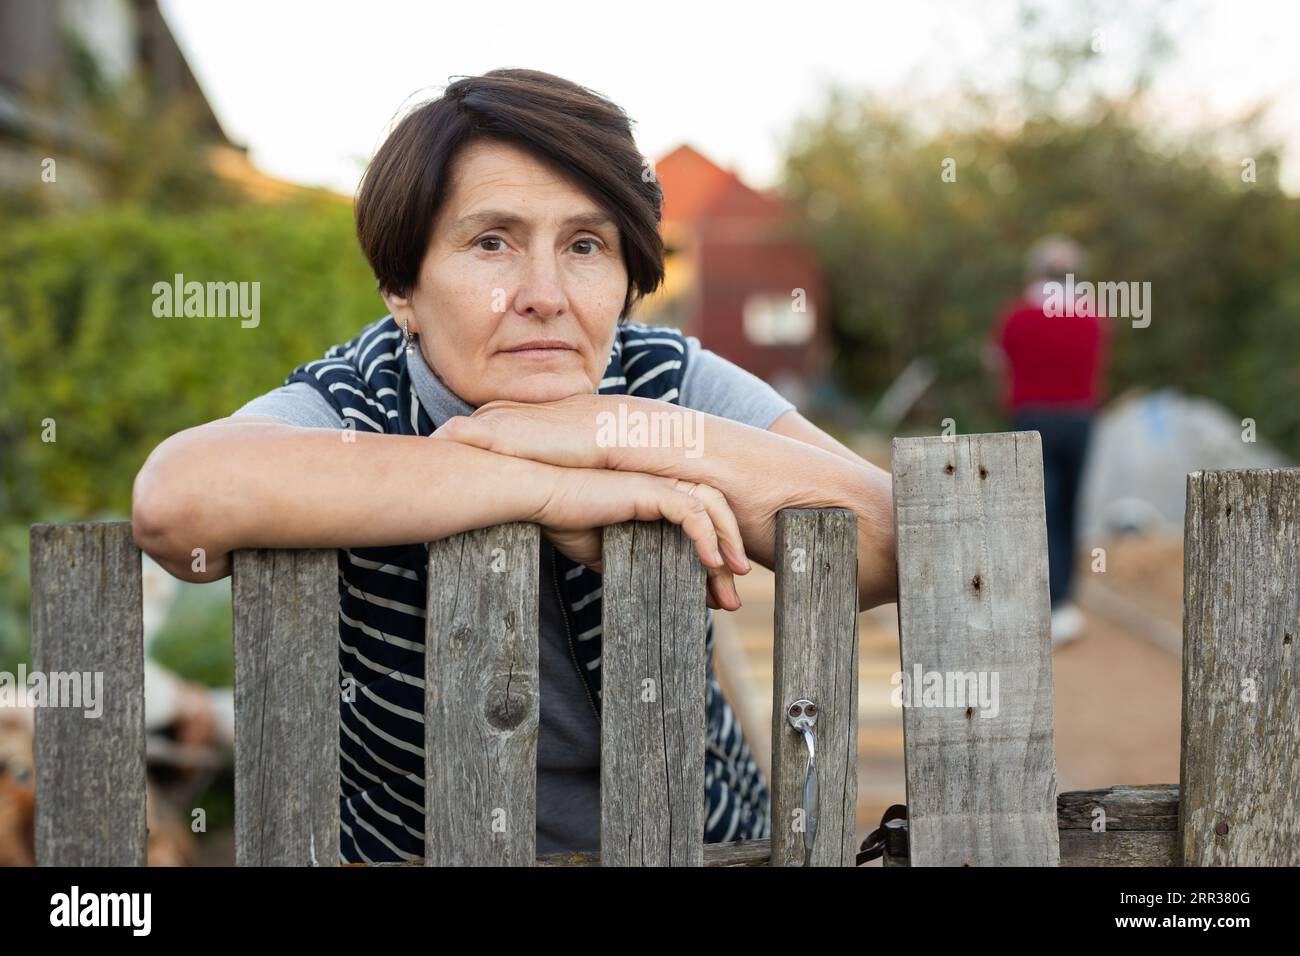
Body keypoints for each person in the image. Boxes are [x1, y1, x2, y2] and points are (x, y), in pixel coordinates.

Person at [132, 69, 898, 863]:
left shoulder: (664, 382)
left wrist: (617, 427)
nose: (543, 294)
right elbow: (174, 505)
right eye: (491, 241)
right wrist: (547, 484)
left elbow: (884, 544)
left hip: (708, 848)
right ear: (403, 288)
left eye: (585, 245)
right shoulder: (355, 400)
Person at [989, 236, 1110, 647]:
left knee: (1032, 511)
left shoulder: (1017, 317)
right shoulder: (1092, 318)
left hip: (1033, 418)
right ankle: (1062, 603)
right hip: (1079, 420)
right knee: (1067, 511)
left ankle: (1032, 599)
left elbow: (1001, 362)